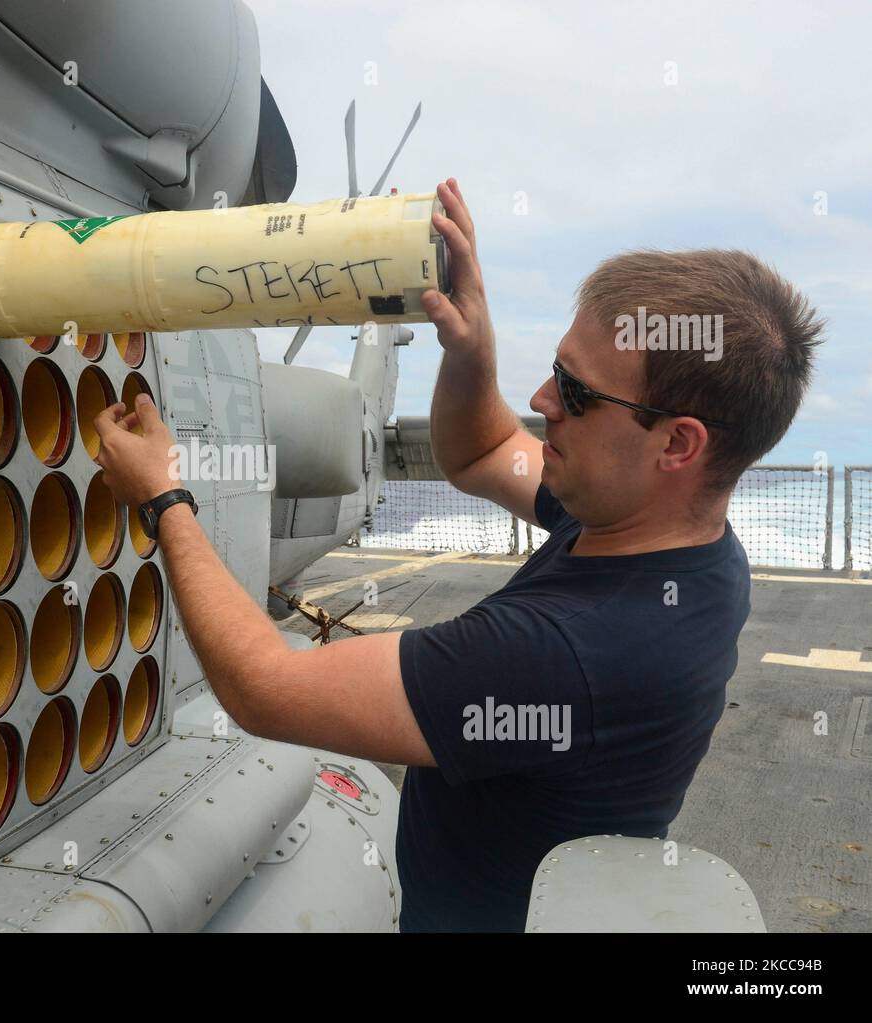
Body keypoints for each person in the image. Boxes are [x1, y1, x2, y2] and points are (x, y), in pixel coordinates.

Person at [92, 178, 824, 932]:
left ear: (677, 443)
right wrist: (471, 346)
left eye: (576, 392)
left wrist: (164, 498)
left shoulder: (564, 652)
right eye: (555, 369)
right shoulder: (670, 535)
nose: (541, 399)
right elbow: (484, 451)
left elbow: (262, 686)